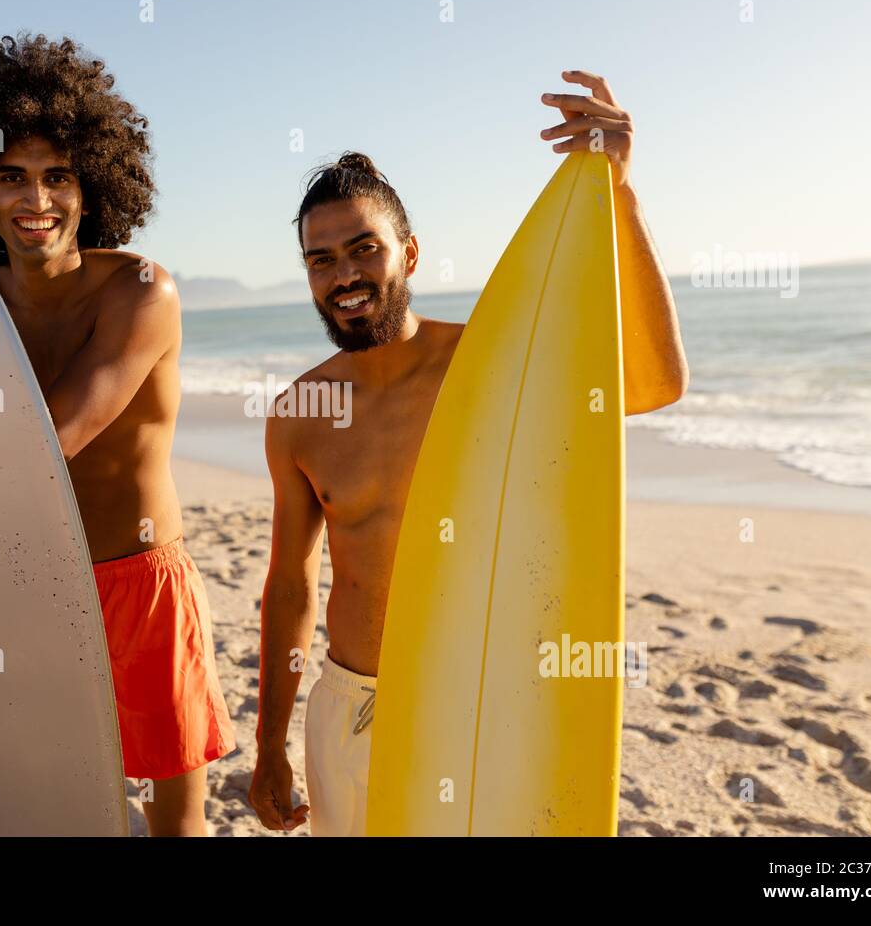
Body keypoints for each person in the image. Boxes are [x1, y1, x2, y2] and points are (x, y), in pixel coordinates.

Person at [248, 71, 688, 836]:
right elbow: (290, 585)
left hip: (479, 698)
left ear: (409, 254)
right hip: (351, 704)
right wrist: (268, 747)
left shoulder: (488, 367)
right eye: (321, 259)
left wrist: (619, 190)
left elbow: (653, 382)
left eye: (364, 249)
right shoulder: (300, 415)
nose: (345, 275)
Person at [0, 33, 234, 836]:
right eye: (11, 178)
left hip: (139, 583)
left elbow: (46, 439)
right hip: (25, 579)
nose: (38, 201)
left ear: (92, 187)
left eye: (58, 176)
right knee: (46, 805)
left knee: (175, 821)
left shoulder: (140, 291)